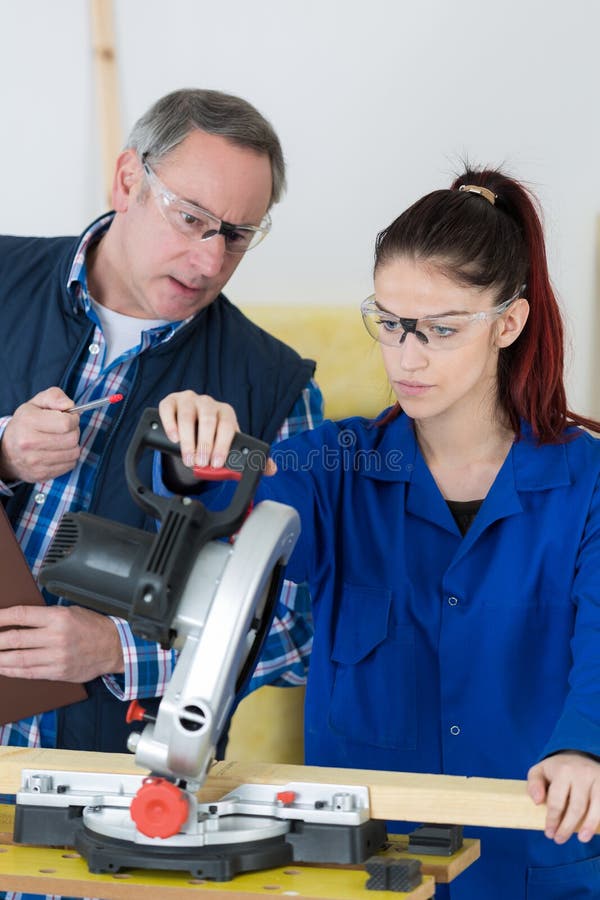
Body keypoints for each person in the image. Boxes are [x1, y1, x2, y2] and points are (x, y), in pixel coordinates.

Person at [156, 168, 600, 899]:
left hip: (532, 867)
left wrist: (585, 746)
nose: (407, 356)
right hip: (364, 866)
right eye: (390, 323)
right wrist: (196, 440)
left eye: (441, 329)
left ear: (509, 324)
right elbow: (243, 473)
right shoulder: (338, 464)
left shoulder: (584, 485)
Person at [0, 88, 322, 759]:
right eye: (191, 219)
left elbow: (297, 629)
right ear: (128, 181)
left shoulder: (278, 388)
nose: (210, 262)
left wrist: (116, 649)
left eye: (236, 236)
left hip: (117, 789)